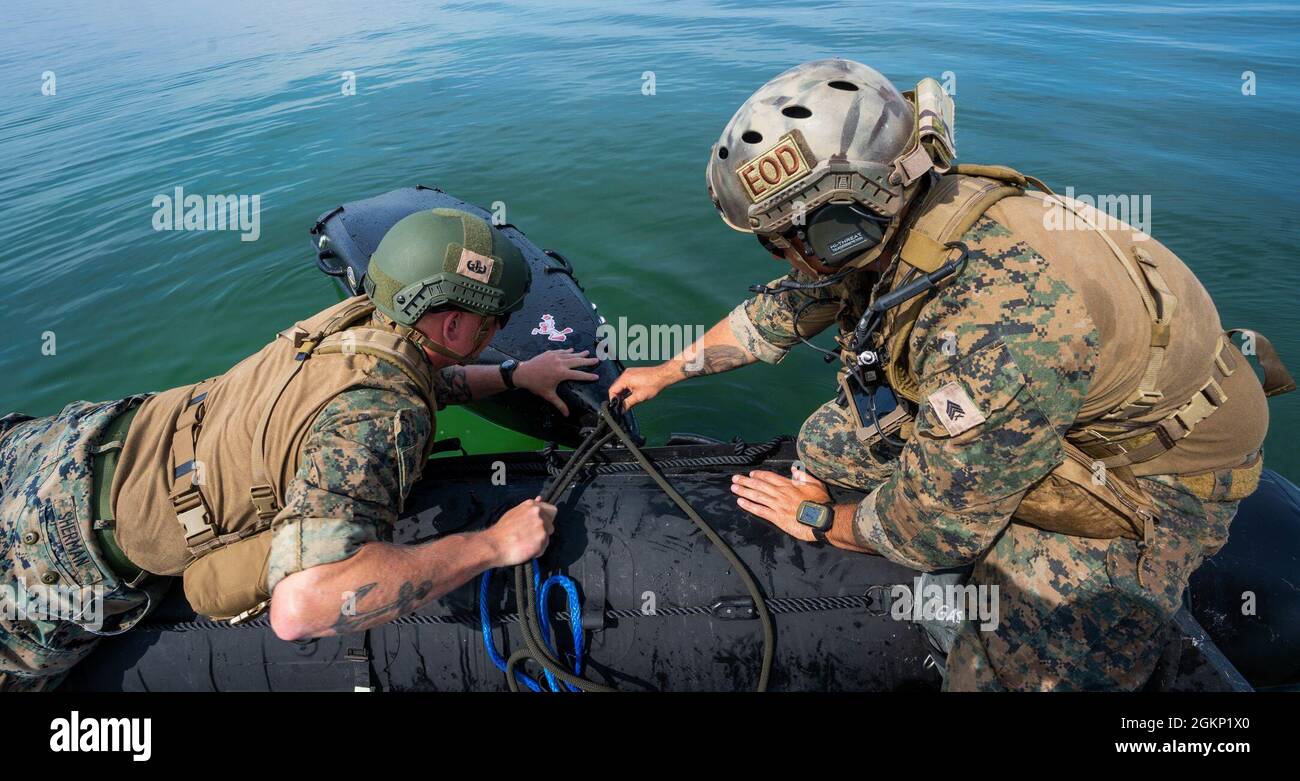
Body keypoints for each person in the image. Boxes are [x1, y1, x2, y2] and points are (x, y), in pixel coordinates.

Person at [610, 59, 1293, 691]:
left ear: (843, 216)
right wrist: (667, 371)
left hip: (1154, 465)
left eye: (789, 238)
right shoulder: (903, 211)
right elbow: (781, 310)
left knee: (997, 675)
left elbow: (934, 528)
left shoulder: (998, 320)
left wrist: (820, 519)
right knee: (823, 443)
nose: (786, 257)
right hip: (1038, 391)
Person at [0, 206, 601, 691]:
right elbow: (302, 607)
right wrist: (493, 545)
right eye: (494, 321)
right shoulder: (382, 414)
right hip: (65, 550)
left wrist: (513, 374)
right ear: (449, 326)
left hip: (73, 439)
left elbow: (404, 375)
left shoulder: (360, 318)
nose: (498, 333)